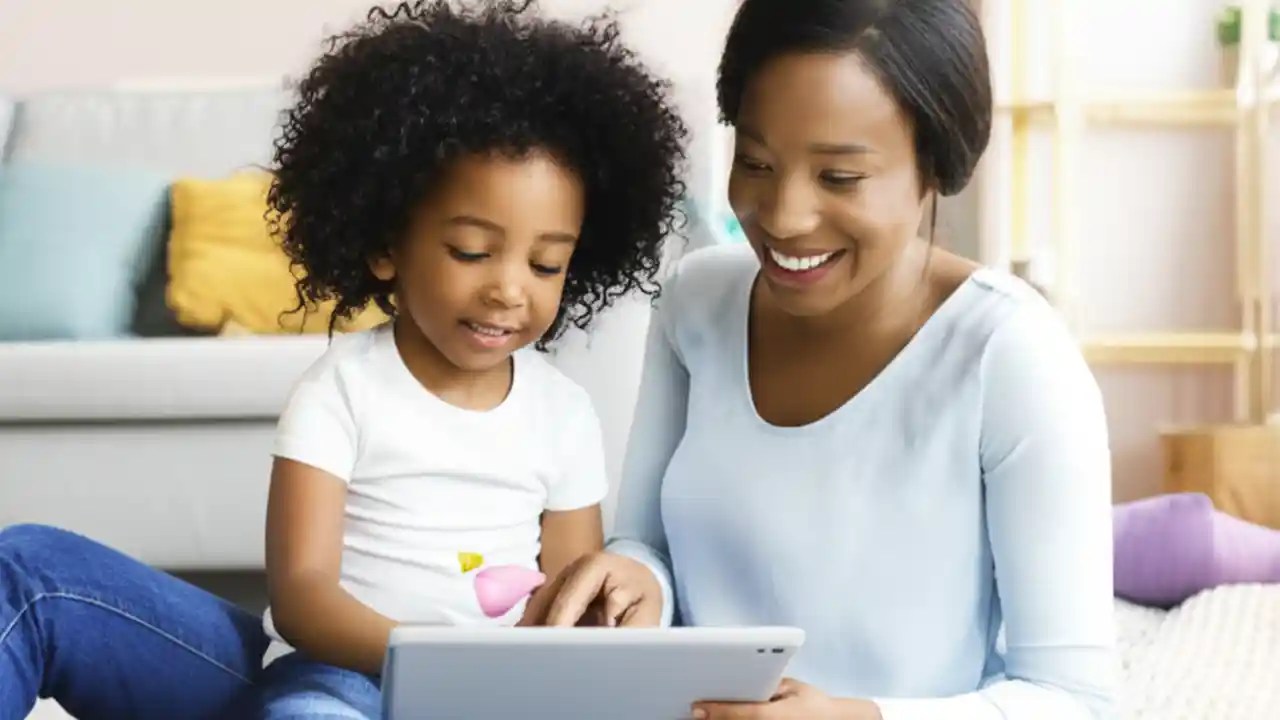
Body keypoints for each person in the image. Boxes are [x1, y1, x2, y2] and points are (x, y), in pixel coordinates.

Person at [0, 1, 686, 718]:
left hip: (486, 698)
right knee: (29, 567)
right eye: (471, 252)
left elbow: (566, 604)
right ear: (385, 247)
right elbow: (302, 598)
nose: (509, 289)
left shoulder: (564, 412)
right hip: (339, 674)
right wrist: (427, 661)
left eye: (547, 265)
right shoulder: (343, 389)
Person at [535, 1, 1117, 718]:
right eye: (756, 163)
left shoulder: (1011, 357)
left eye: (839, 177)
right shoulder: (696, 300)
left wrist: (858, 717)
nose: (783, 215)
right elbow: (646, 545)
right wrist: (634, 584)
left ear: (935, 165)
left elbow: (1078, 700)